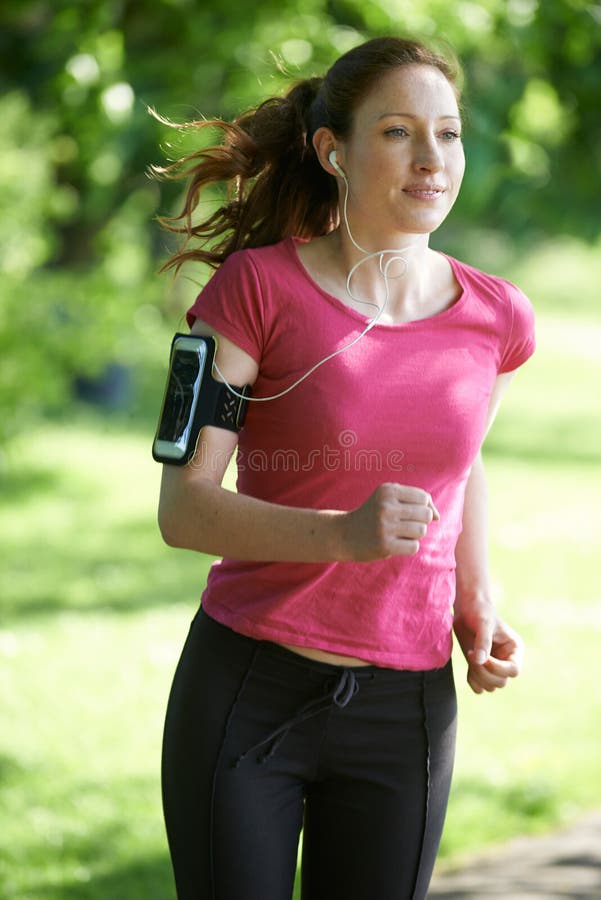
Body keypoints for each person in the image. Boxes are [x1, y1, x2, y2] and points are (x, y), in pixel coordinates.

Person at [154, 36, 535, 900]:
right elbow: (184, 509)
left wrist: (474, 601)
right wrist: (341, 535)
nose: (431, 159)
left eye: (448, 133)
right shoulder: (253, 292)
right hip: (248, 689)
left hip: (406, 709)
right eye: (398, 132)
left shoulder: (497, 317)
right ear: (333, 151)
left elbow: (461, 465)